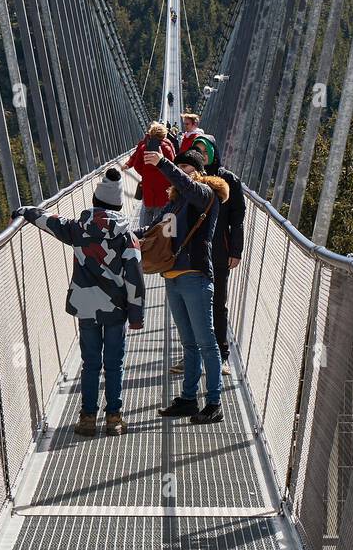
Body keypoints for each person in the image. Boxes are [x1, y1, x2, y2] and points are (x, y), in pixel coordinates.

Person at [14, 166, 145, 438]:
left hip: (86, 305)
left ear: (95, 202)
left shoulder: (77, 228)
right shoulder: (126, 236)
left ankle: (87, 418)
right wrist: (136, 315)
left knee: (90, 363)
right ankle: (114, 418)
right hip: (116, 308)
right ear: (120, 205)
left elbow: (49, 221)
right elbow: (134, 276)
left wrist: (27, 211)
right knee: (114, 363)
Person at [140, 146, 228, 423]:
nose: (182, 176)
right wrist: (122, 235)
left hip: (195, 276)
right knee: (189, 344)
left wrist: (164, 164)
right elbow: (158, 230)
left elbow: (187, 185)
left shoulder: (205, 195)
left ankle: (214, 403)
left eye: (187, 171)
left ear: (198, 173)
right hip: (173, 278)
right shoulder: (175, 204)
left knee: (207, 343)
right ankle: (189, 399)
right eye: (180, 171)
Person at [170, 133, 243, 378]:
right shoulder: (187, 181)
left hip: (220, 252)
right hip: (193, 253)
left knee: (217, 304)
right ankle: (191, 356)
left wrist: (236, 250)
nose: (201, 153)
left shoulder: (228, 180)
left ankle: (222, 356)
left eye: (205, 149)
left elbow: (237, 219)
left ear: (213, 152)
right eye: (196, 149)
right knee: (192, 305)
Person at [125, 121, 175, 228]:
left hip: (148, 191)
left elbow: (137, 165)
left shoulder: (144, 148)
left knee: (145, 219)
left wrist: (146, 175)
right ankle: (163, 243)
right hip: (164, 192)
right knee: (163, 223)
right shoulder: (167, 148)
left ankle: (143, 240)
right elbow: (172, 167)